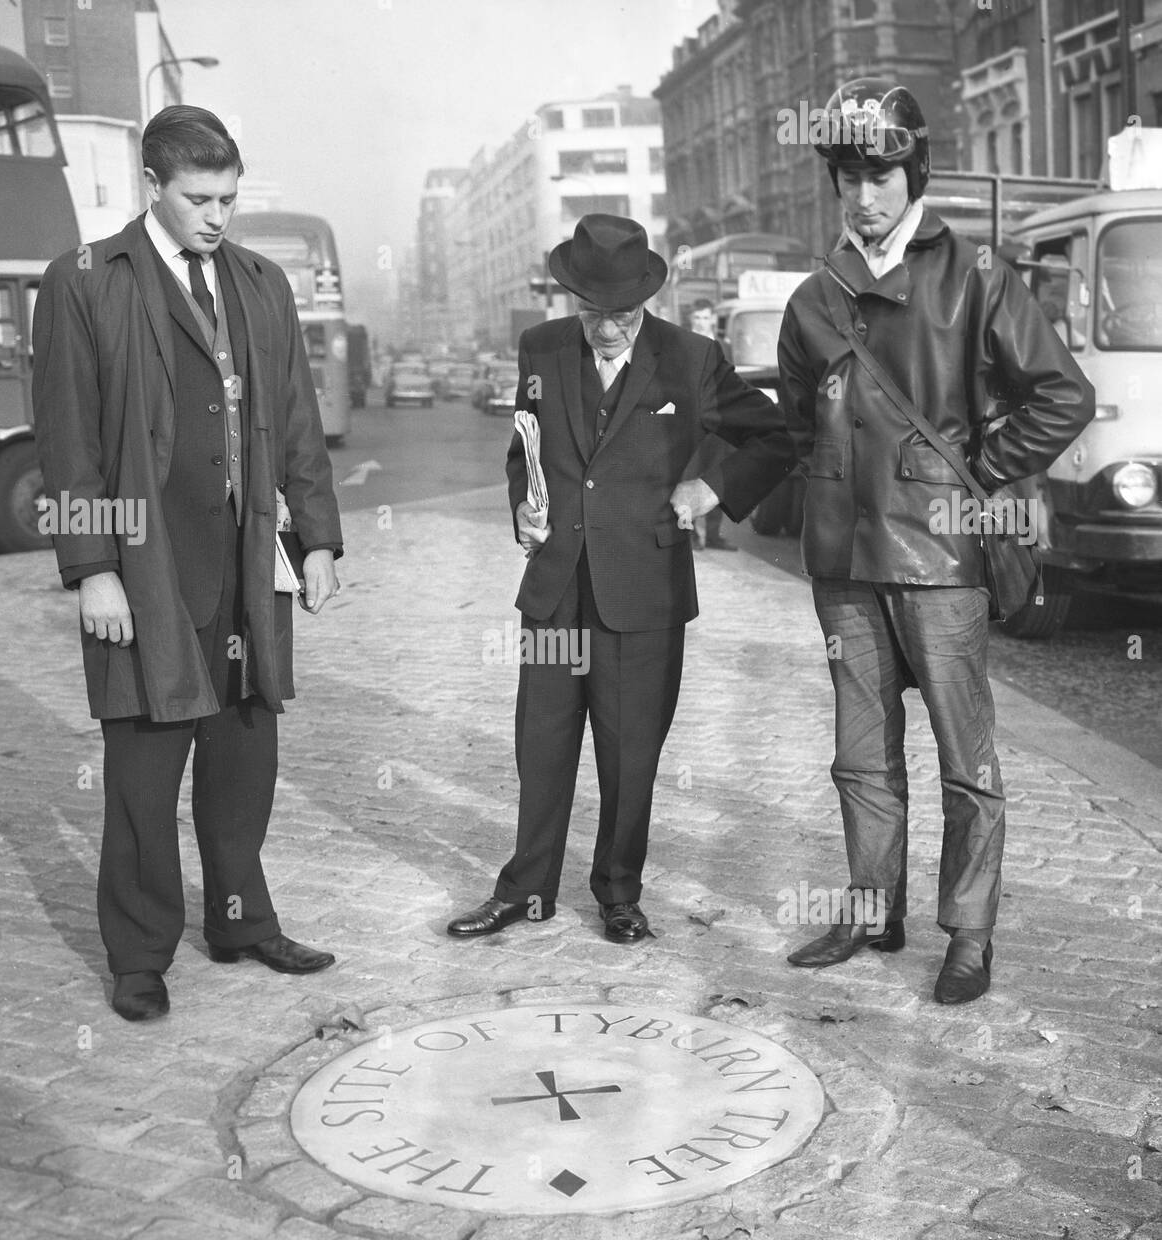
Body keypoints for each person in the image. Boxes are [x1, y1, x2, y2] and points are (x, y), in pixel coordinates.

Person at [680, 79, 1095, 1003]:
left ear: (915, 174)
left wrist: (979, 465)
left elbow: (1065, 396)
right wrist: (713, 484)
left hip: (941, 559)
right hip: (841, 565)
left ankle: (970, 933)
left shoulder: (975, 275)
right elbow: (790, 431)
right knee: (859, 754)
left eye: (881, 174)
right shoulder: (812, 301)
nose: (864, 196)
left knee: (966, 757)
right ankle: (873, 911)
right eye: (848, 177)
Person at [32, 106, 344, 1023]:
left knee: (245, 755)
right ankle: (138, 957)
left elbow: (295, 416)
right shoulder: (84, 281)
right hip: (144, 569)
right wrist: (92, 568)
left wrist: (317, 537)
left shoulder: (259, 281)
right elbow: (67, 438)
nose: (218, 216)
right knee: (142, 774)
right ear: (152, 187)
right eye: (200, 198)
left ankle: (241, 922)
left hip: (249, 566)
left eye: (230, 199)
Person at [446, 214, 794, 944]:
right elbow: (525, 448)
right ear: (570, 297)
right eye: (591, 313)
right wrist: (523, 509)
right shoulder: (539, 347)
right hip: (555, 590)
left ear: (646, 302)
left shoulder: (691, 358)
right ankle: (524, 890)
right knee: (539, 743)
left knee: (630, 750)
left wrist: (710, 490)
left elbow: (776, 434)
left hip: (645, 590)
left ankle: (618, 894)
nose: (605, 330)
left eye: (621, 317)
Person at [687, 298, 737, 552]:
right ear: (691, 320)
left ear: (712, 320)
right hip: (692, 423)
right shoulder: (681, 345)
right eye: (697, 318)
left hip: (719, 423)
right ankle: (693, 536)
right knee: (691, 477)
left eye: (706, 318)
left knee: (718, 476)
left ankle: (715, 535)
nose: (701, 322)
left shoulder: (724, 347)